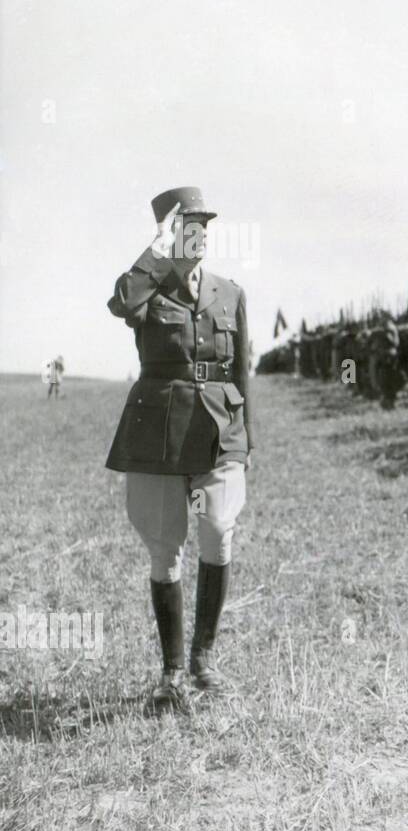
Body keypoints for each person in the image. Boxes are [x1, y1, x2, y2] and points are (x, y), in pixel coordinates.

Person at [105, 187, 252, 713]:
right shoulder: (147, 290)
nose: (197, 237)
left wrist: (246, 440)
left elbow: (241, 371)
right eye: (185, 228)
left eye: (201, 228)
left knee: (218, 528)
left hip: (218, 430)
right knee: (164, 545)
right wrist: (156, 250)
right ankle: (171, 671)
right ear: (169, 235)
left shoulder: (229, 293)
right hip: (157, 434)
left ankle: (203, 659)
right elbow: (121, 302)